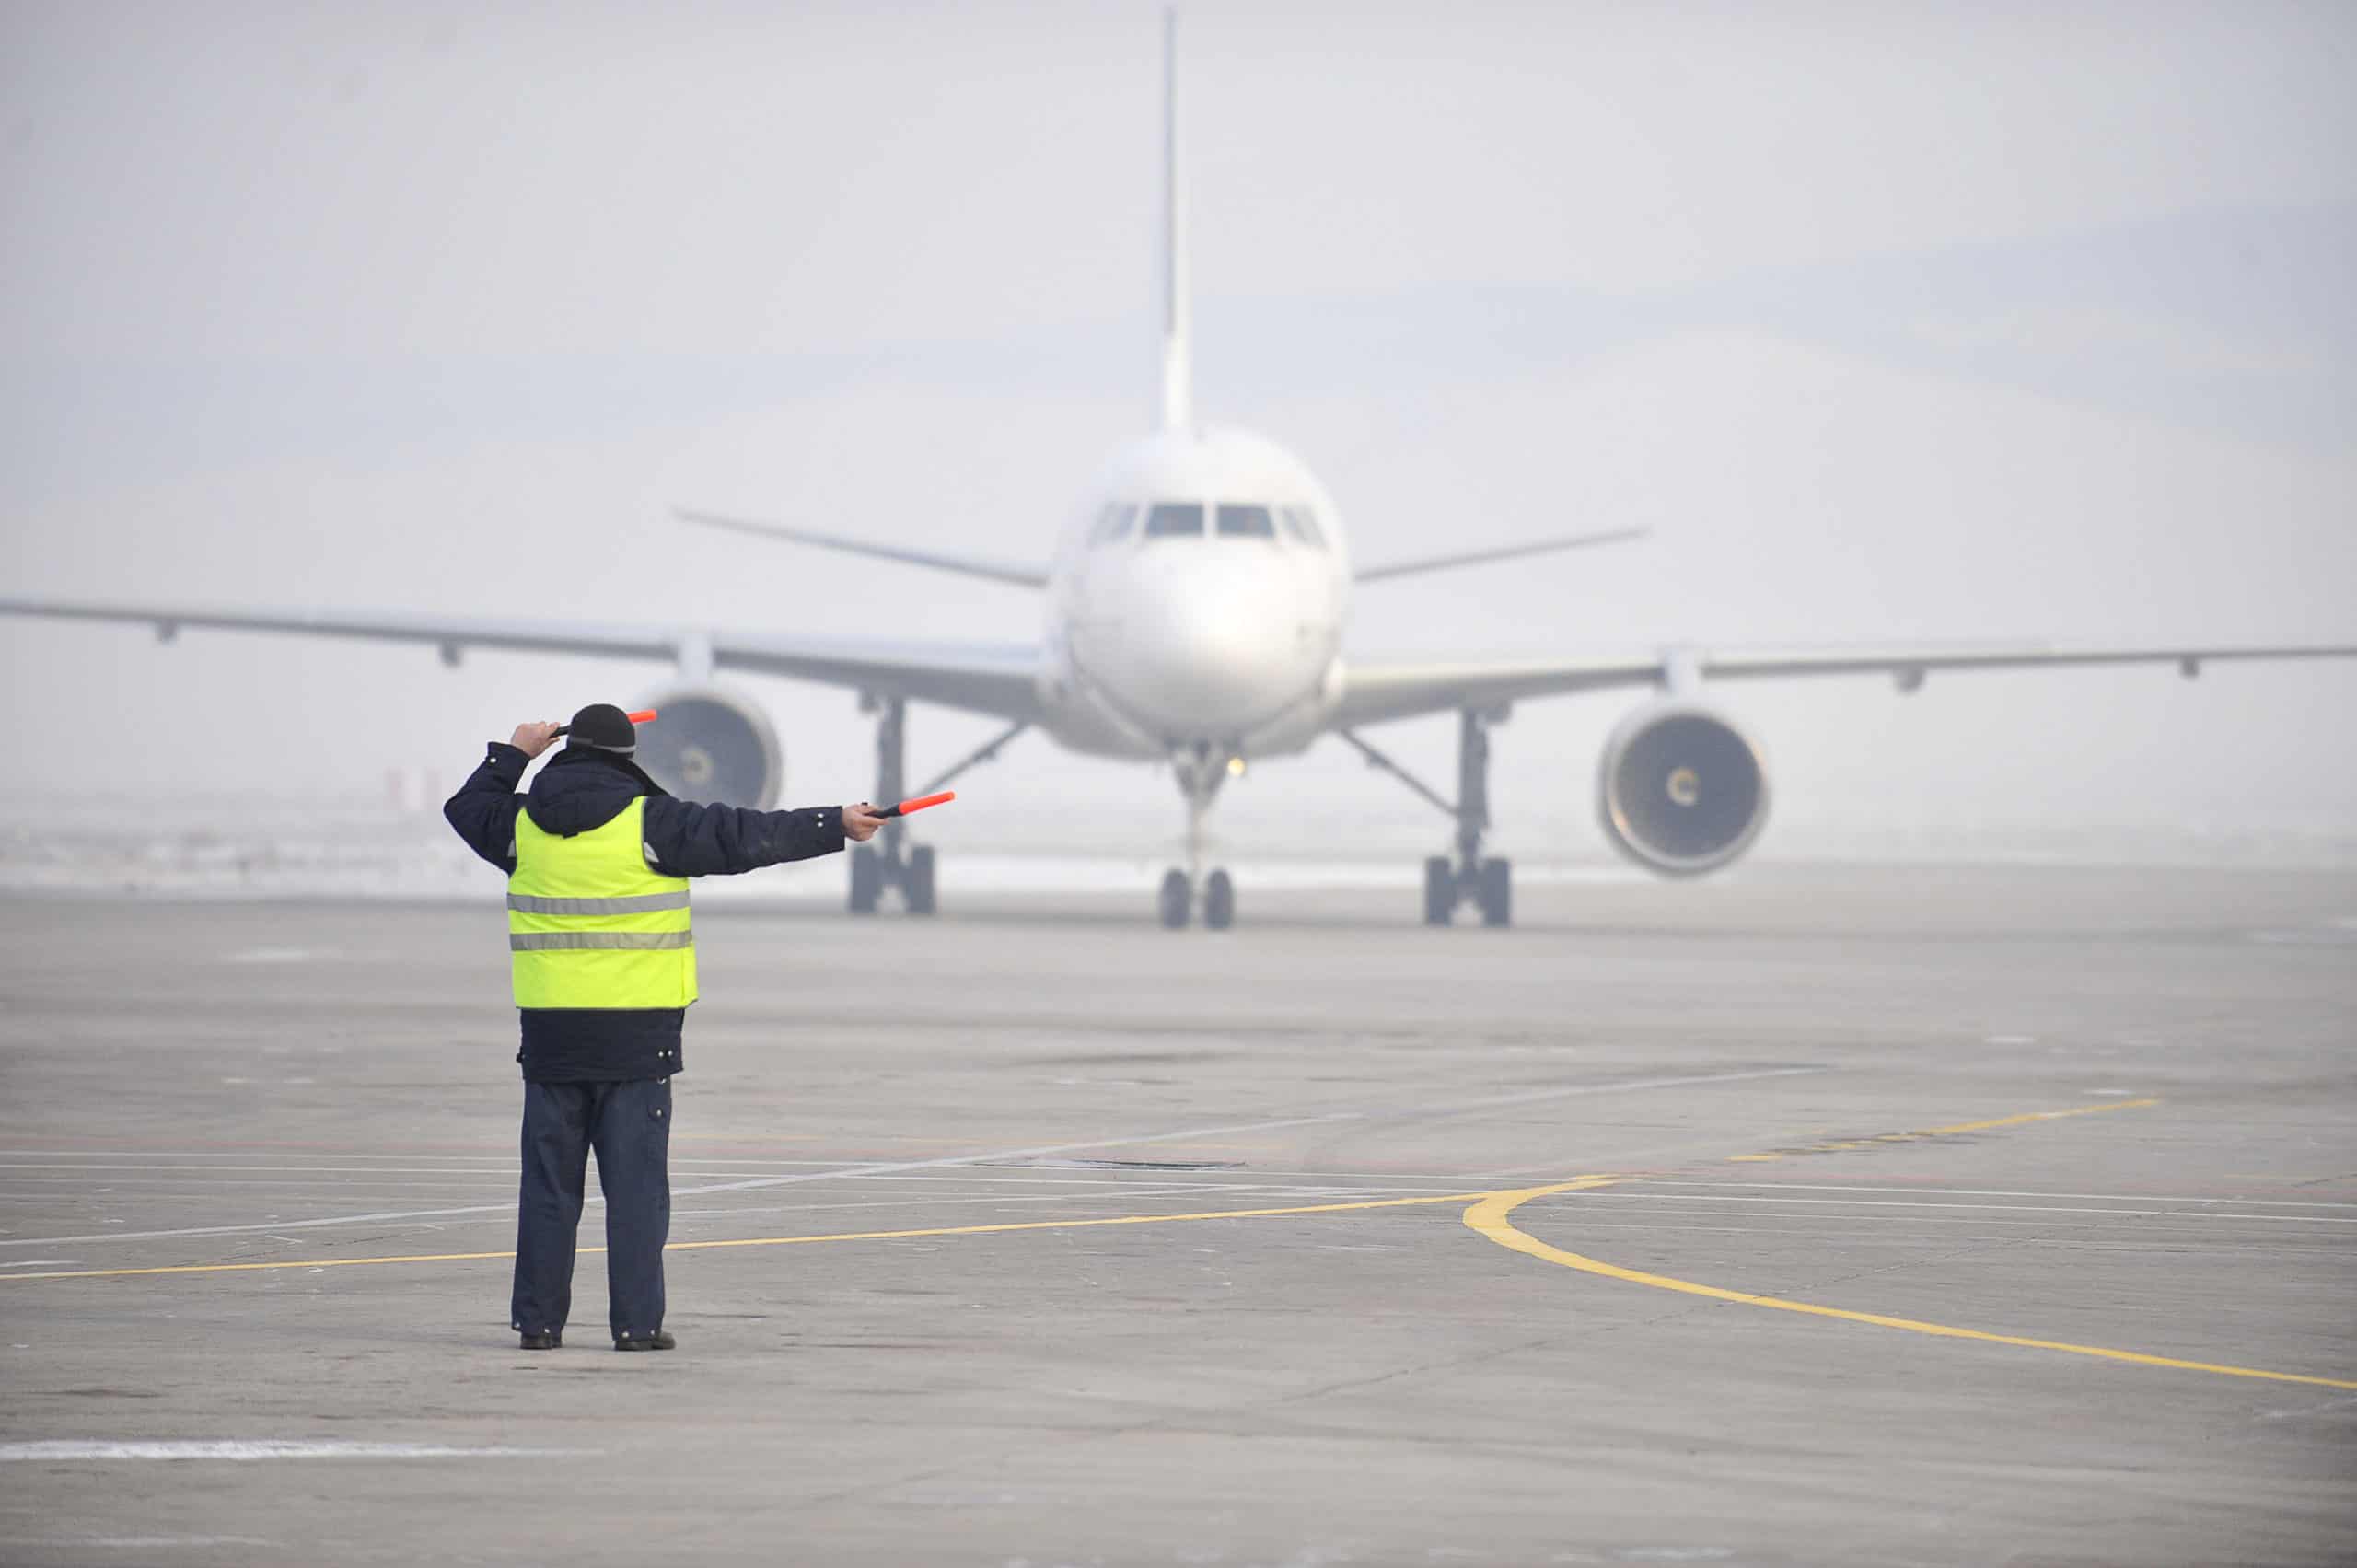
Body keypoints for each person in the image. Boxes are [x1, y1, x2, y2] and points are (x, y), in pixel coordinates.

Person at [443, 703, 884, 1352]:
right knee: (636, 1198)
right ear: (627, 760)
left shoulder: (520, 828)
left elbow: (465, 808)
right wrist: (835, 823)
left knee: (548, 1194)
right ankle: (636, 1326)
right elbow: (750, 835)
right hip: (637, 1045)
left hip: (552, 1045)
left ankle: (537, 1324)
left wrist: (514, 753)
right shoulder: (654, 823)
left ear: (568, 752)